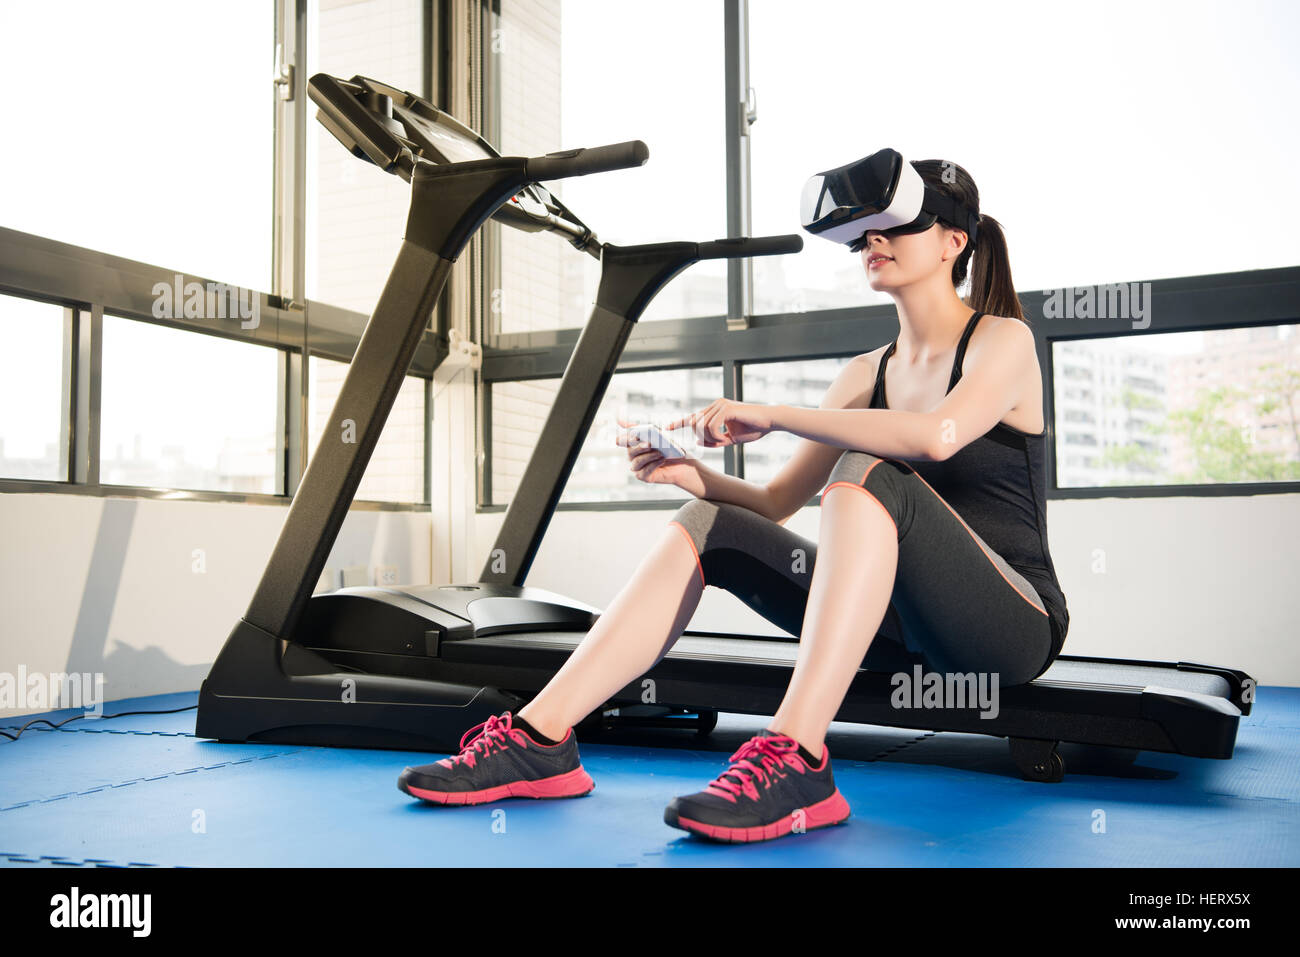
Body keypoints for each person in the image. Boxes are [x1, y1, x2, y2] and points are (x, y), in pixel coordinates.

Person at [396, 157, 1069, 843]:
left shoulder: (1002, 340)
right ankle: (539, 738)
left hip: (1008, 628)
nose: (873, 240)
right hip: (902, 632)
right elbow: (775, 501)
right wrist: (700, 480)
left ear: (955, 241)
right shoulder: (866, 373)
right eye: (862, 231)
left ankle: (798, 756)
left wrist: (776, 412)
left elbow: (936, 437)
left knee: (868, 471)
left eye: (894, 225)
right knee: (709, 523)